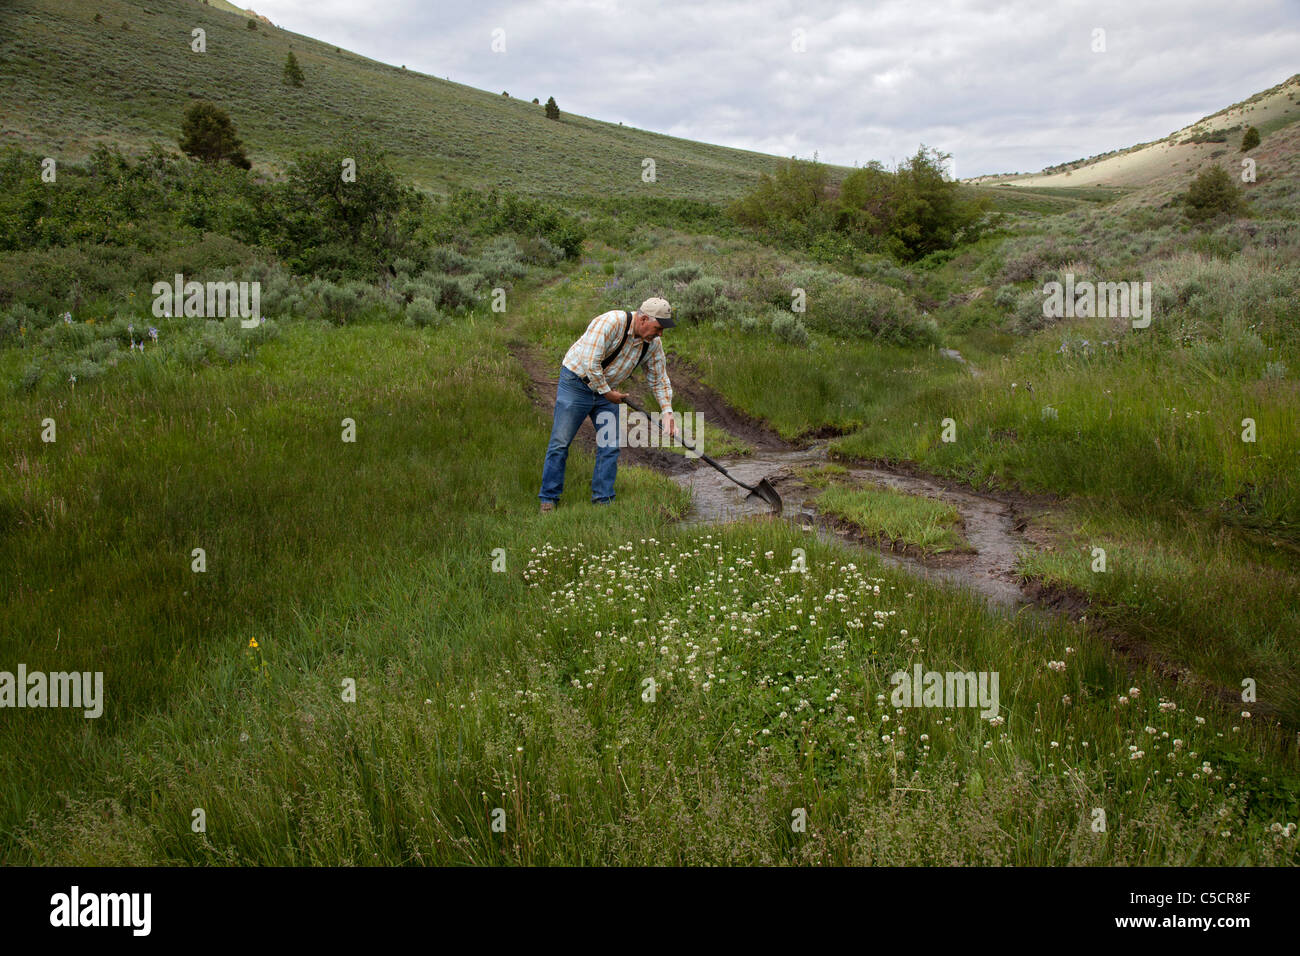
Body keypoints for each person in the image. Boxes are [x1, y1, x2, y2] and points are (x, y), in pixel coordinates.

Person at [538, 297, 677, 512]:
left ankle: (603, 501)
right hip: (576, 383)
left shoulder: (652, 344)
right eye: (658, 328)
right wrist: (607, 392)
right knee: (560, 442)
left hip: (607, 390)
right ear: (643, 318)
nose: (660, 334)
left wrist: (667, 412)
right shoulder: (611, 322)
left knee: (610, 445)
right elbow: (590, 361)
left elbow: (659, 379)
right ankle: (548, 499)